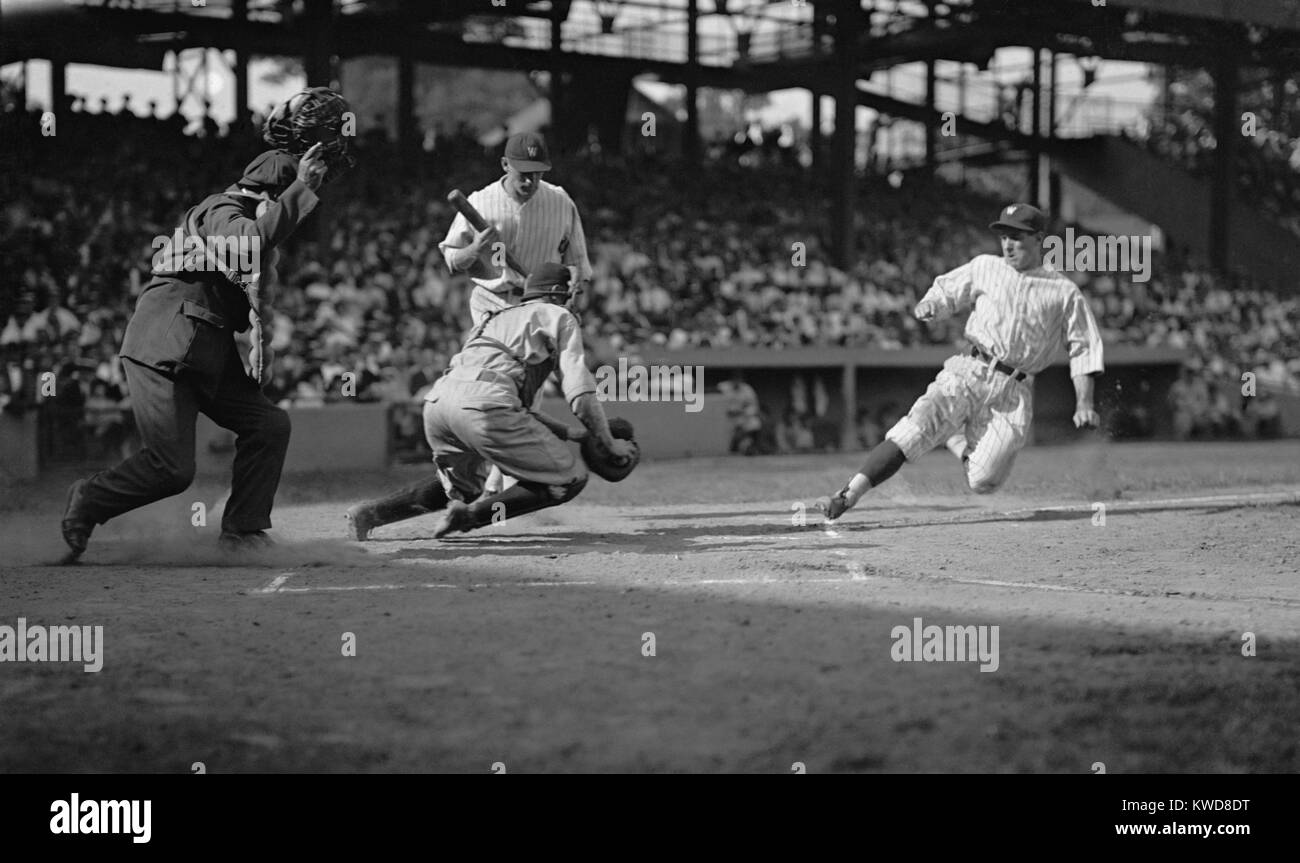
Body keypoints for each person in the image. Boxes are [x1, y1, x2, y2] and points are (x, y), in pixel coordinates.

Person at [58, 144, 331, 562]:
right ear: (265, 197)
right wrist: (302, 188)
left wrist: (261, 362)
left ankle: (243, 531)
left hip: (208, 351)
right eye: (281, 201)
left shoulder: (252, 233)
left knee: (268, 424)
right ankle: (88, 499)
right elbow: (252, 241)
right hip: (165, 344)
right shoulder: (219, 209)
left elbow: (262, 305)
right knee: (172, 470)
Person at [817, 203, 1104, 520]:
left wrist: (1084, 403)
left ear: (1039, 239)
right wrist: (931, 304)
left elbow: (1084, 346)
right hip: (969, 371)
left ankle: (954, 440)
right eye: (1004, 236)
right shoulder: (986, 266)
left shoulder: (1064, 292)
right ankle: (848, 494)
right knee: (913, 430)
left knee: (983, 481)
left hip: (1013, 393)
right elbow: (946, 290)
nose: (1008, 244)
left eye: (1017, 237)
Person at [344, 263, 633, 541]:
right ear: (558, 292)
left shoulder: (493, 319)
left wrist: (572, 434)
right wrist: (608, 442)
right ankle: (470, 518)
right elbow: (580, 394)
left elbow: (517, 408)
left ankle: (370, 514)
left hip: (439, 402)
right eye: (571, 294)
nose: (574, 302)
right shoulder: (558, 315)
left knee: (461, 489)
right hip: (484, 404)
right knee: (568, 479)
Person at [438, 131, 594, 493]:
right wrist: (474, 249)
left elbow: (578, 264)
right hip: (494, 302)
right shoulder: (481, 202)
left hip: (540, 305)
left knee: (526, 394)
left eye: (537, 172)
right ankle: (465, 476)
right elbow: (452, 260)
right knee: (488, 386)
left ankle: (497, 486)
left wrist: (572, 294)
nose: (530, 180)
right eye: (523, 172)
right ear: (505, 165)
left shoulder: (559, 200)